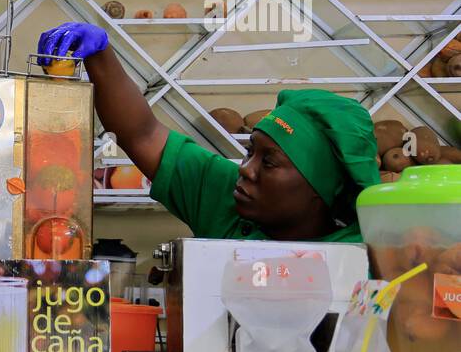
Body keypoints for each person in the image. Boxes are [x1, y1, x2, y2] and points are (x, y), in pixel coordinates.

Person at [37, 22, 381, 242]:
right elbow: (141, 133)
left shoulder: (366, 260)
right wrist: (100, 55)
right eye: (251, 152)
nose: (245, 169)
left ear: (319, 188)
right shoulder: (226, 196)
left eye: (270, 162)